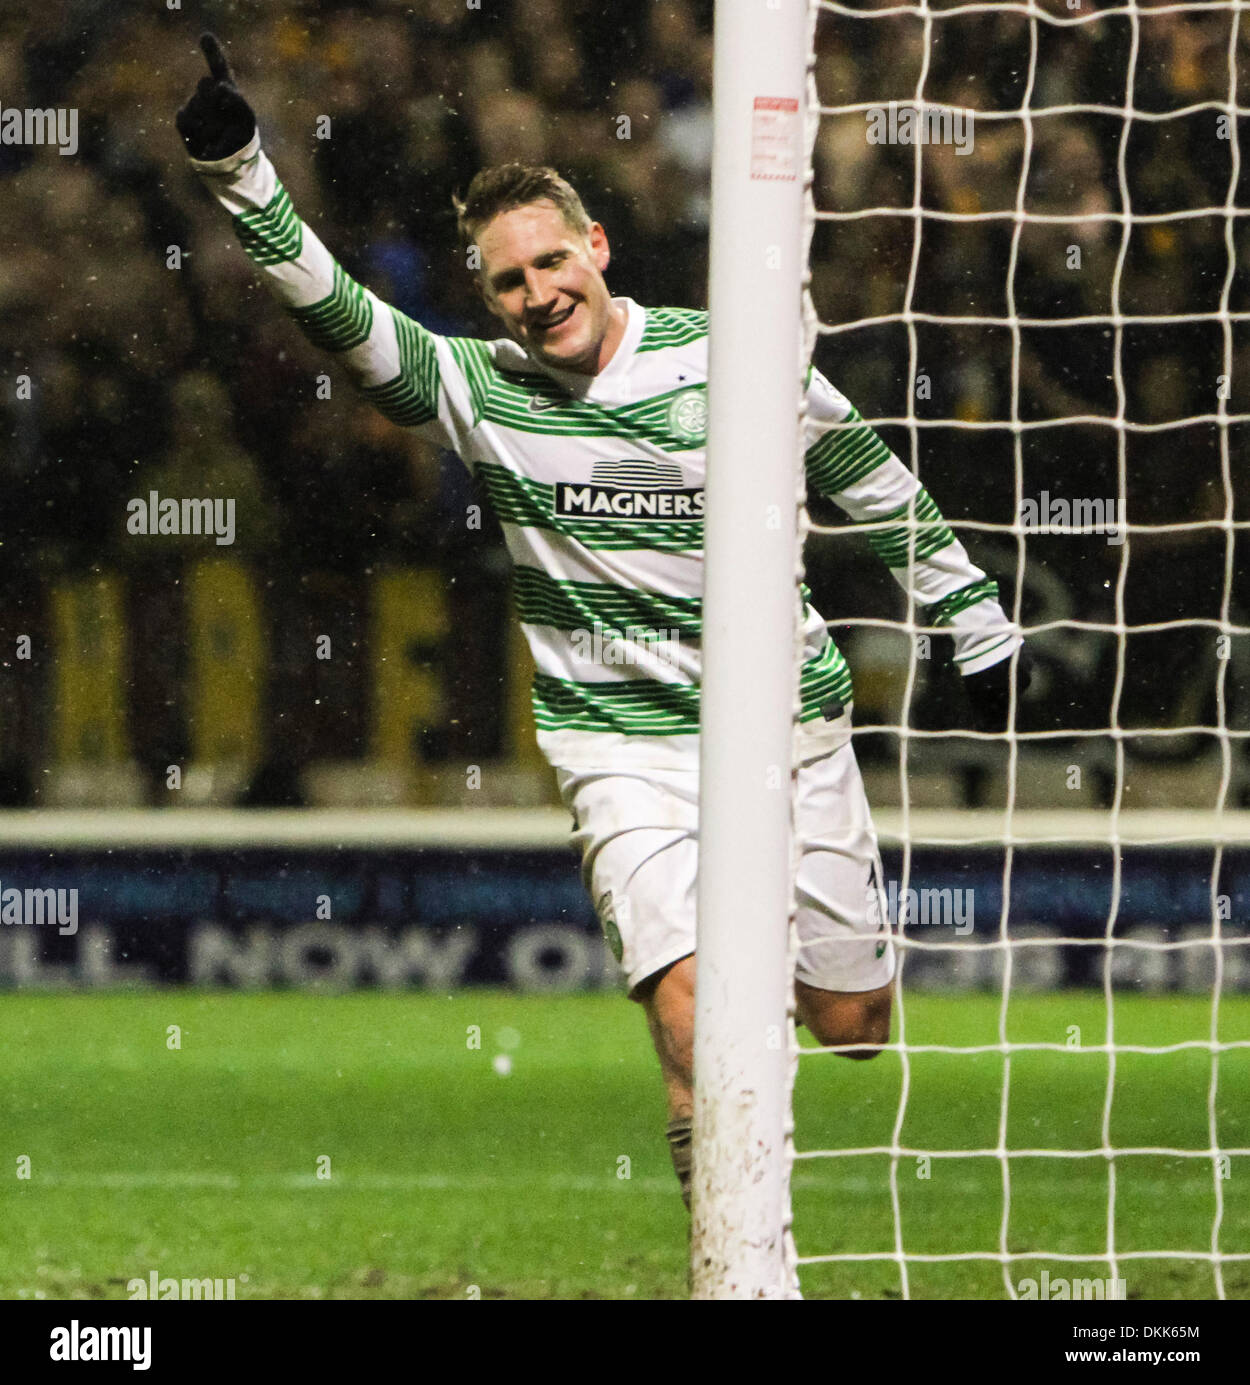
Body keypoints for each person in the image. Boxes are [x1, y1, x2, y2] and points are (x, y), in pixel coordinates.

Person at [176, 34, 1030, 1208]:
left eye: (550, 262)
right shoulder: (481, 390)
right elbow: (342, 316)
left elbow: (865, 477)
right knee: (687, 1005)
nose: (536, 294)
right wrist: (242, 172)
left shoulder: (727, 360)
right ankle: (735, 1256)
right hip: (620, 747)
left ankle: (739, 1033)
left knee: (851, 1027)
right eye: (507, 282)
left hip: (784, 724)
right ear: (486, 297)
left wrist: (969, 616)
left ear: (598, 250)